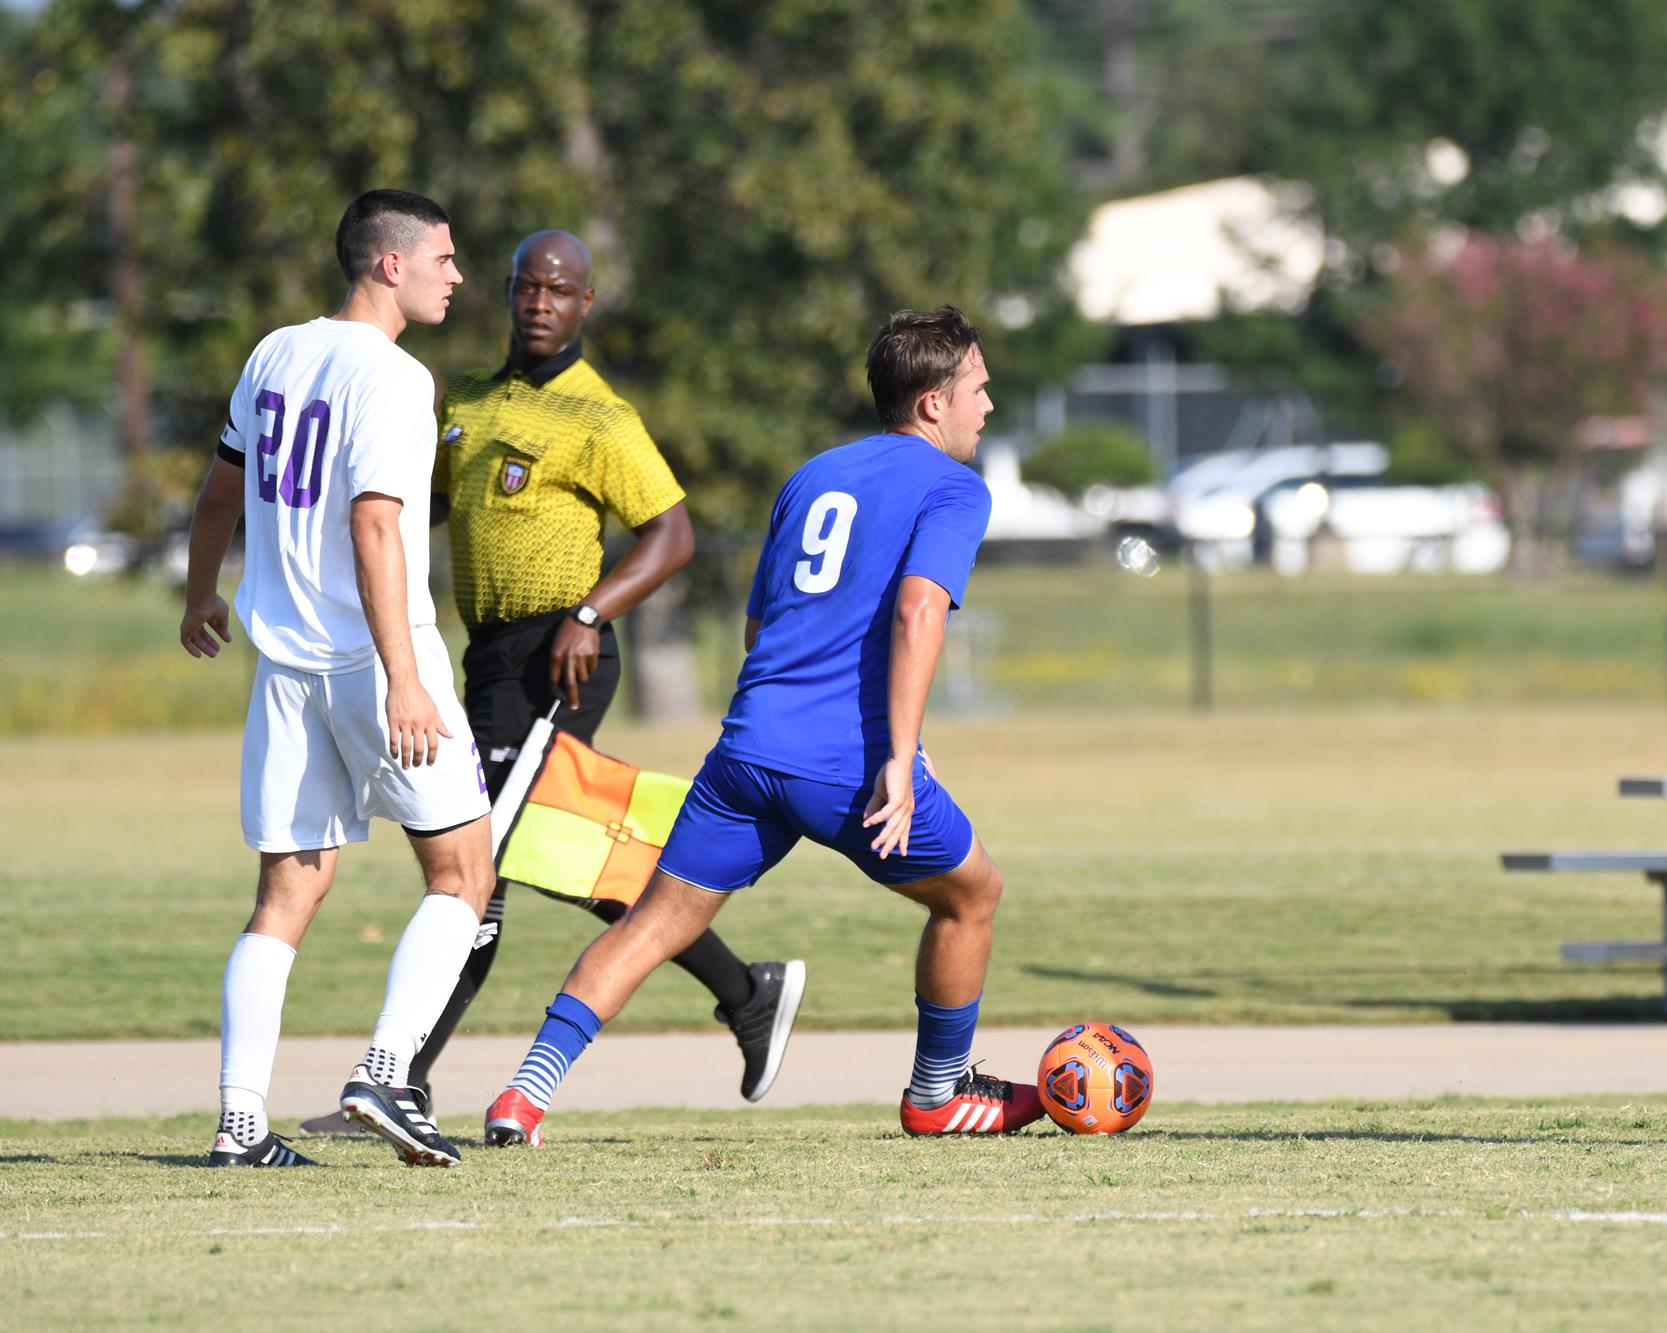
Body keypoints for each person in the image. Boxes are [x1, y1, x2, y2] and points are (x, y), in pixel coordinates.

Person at [483, 304, 1041, 1148]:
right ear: (932, 402)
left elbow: (757, 631)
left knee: (655, 922)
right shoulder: (955, 486)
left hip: (746, 749)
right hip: (842, 760)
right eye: (978, 388)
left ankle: (522, 1097)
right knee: (973, 894)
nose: (987, 406)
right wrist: (896, 756)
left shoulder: (812, 474)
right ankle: (938, 1092)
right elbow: (919, 611)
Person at [299, 230, 805, 1138]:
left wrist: (592, 612)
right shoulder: (471, 401)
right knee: (539, 853)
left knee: (476, 868)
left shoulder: (599, 416)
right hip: (489, 657)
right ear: (507, 294)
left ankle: (401, 1077)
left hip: (560, 656)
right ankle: (746, 989)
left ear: (585, 303)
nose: (541, 302)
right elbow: (427, 502)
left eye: (560, 290)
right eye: (528, 287)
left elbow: (672, 534)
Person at [181, 189, 494, 1168]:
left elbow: (221, 488)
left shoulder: (274, 351)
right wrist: (404, 675)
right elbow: (372, 524)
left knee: (287, 892)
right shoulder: (399, 379)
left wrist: (200, 596)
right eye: (443, 257)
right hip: (369, 661)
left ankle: (241, 1122)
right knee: (464, 875)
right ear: (389, 264)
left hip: (282, 670)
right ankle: (387, 1072)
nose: (456, 274)